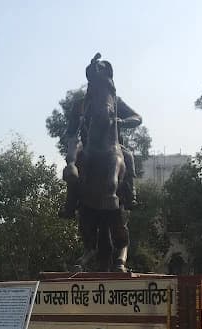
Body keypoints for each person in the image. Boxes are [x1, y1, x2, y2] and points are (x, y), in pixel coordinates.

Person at [61, 66, 142, 218]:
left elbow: (137, 118)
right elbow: (71, 131)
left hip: (113, 145)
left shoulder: (115, 102)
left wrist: (122, 122)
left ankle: (131, 195)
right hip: (86, 146)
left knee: (128, 156)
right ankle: (70, 204)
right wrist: (73, 140)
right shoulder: (80, 104)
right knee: (74, 164)